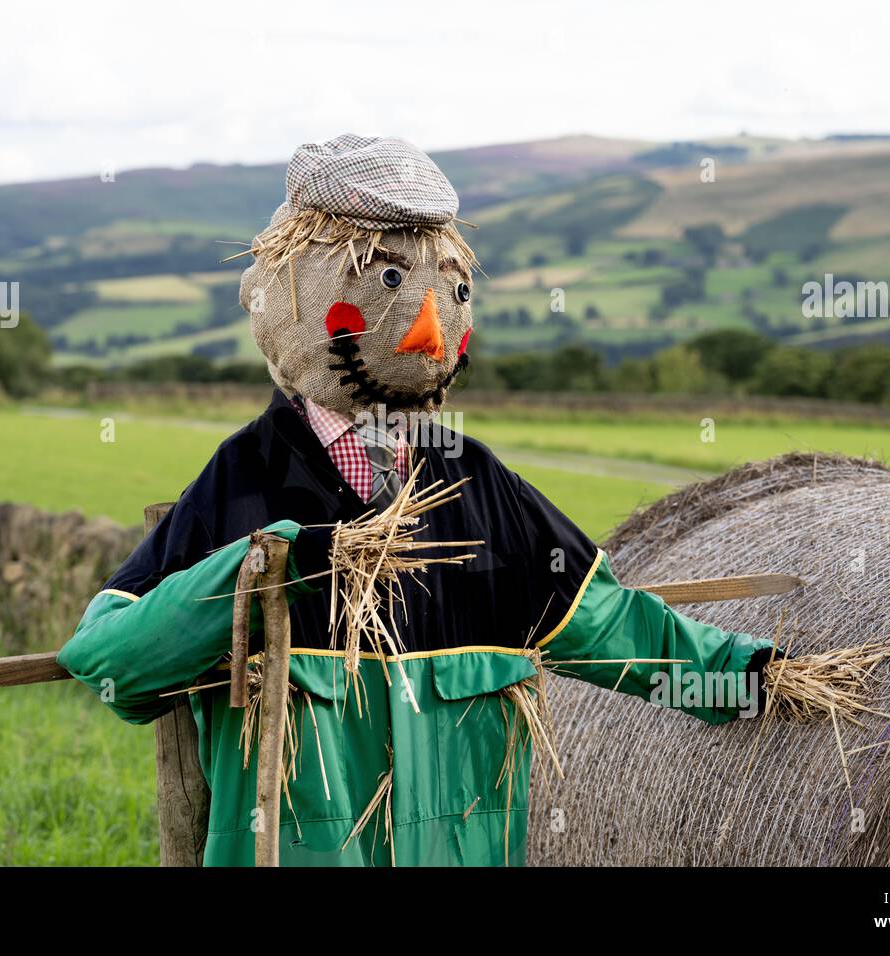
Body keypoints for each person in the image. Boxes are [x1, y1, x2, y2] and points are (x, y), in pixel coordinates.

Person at [57, 134, 776, 866]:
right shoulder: (245, 480)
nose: (432, 325)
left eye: (453, 291)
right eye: (389, 280)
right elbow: (111, 662)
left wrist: (745, 681)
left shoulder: (476, 482)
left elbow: (605, 624)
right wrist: (262, 569)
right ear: (297, 289)